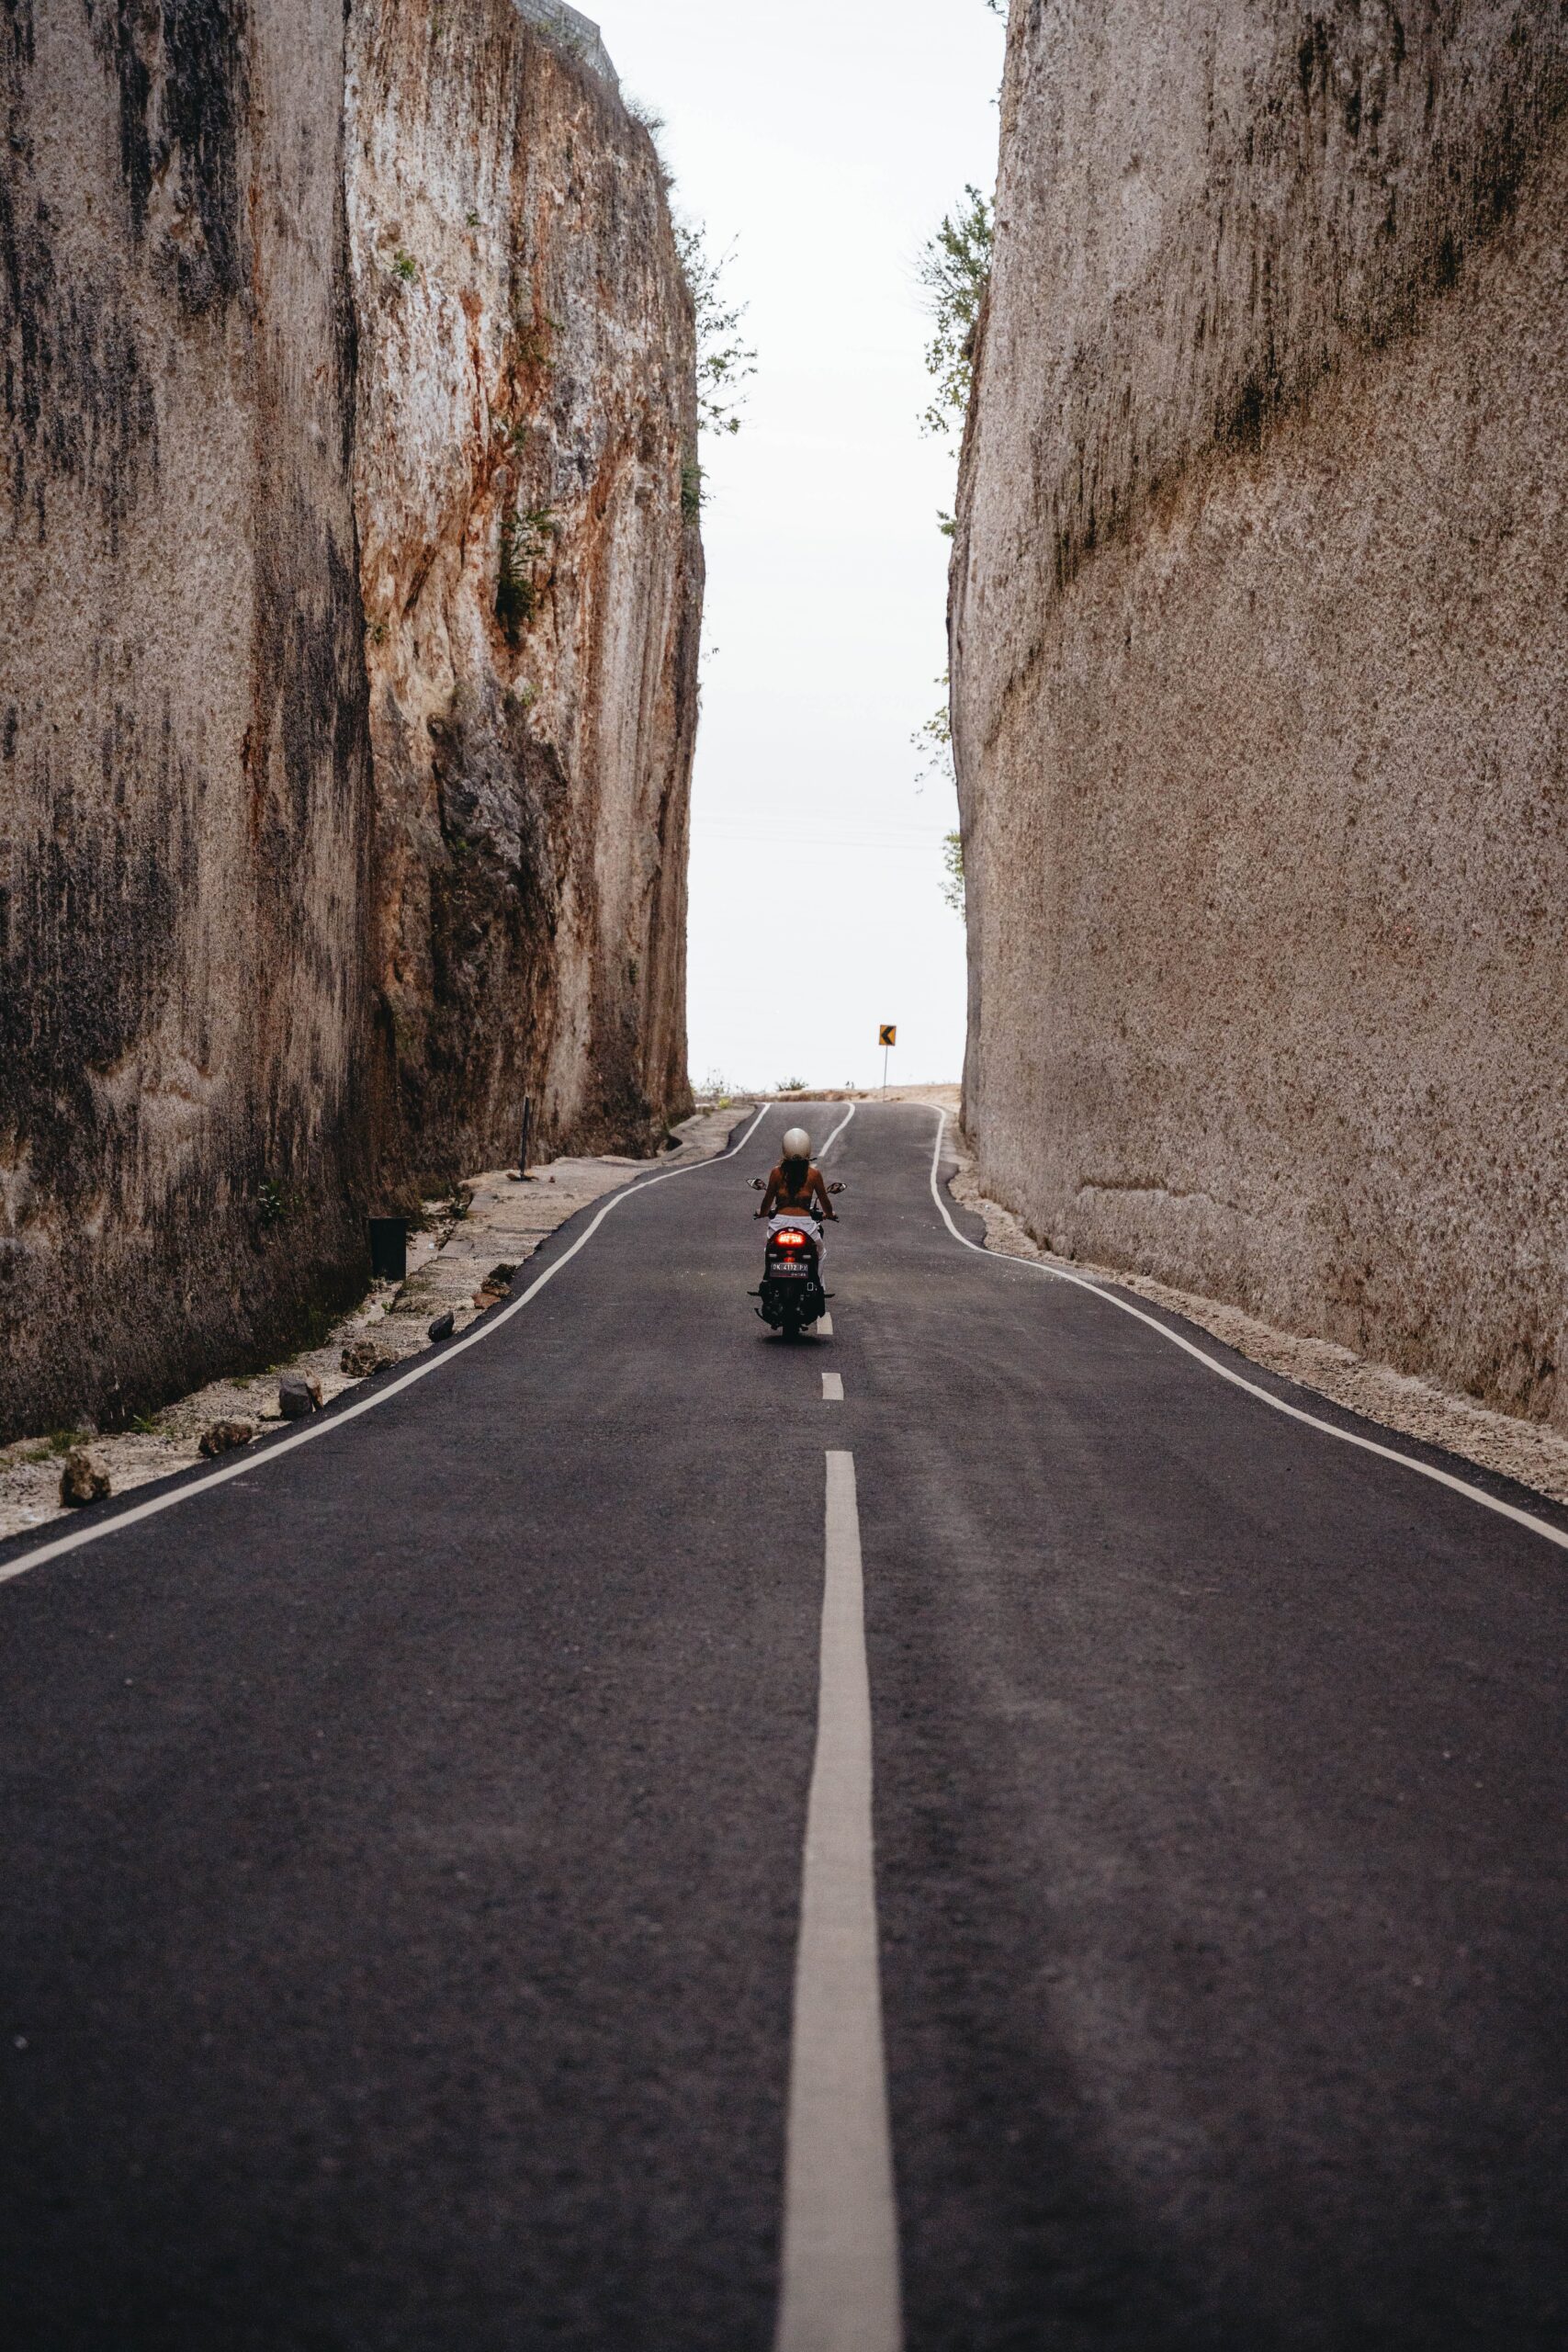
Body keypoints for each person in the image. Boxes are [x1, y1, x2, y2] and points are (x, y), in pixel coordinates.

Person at [757, 1125, 837, 1289]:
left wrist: (762, 1213)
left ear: (784, 1149)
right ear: (808, 1149)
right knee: (820, 1253)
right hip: (806, 1225)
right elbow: (824, 1201)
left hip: (779, 1224)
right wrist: (830, 1214)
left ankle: (768, 1280)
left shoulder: (776, 1173)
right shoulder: (814, 1174)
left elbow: (767, 1202)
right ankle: (818, 1286)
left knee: (769, 1250)